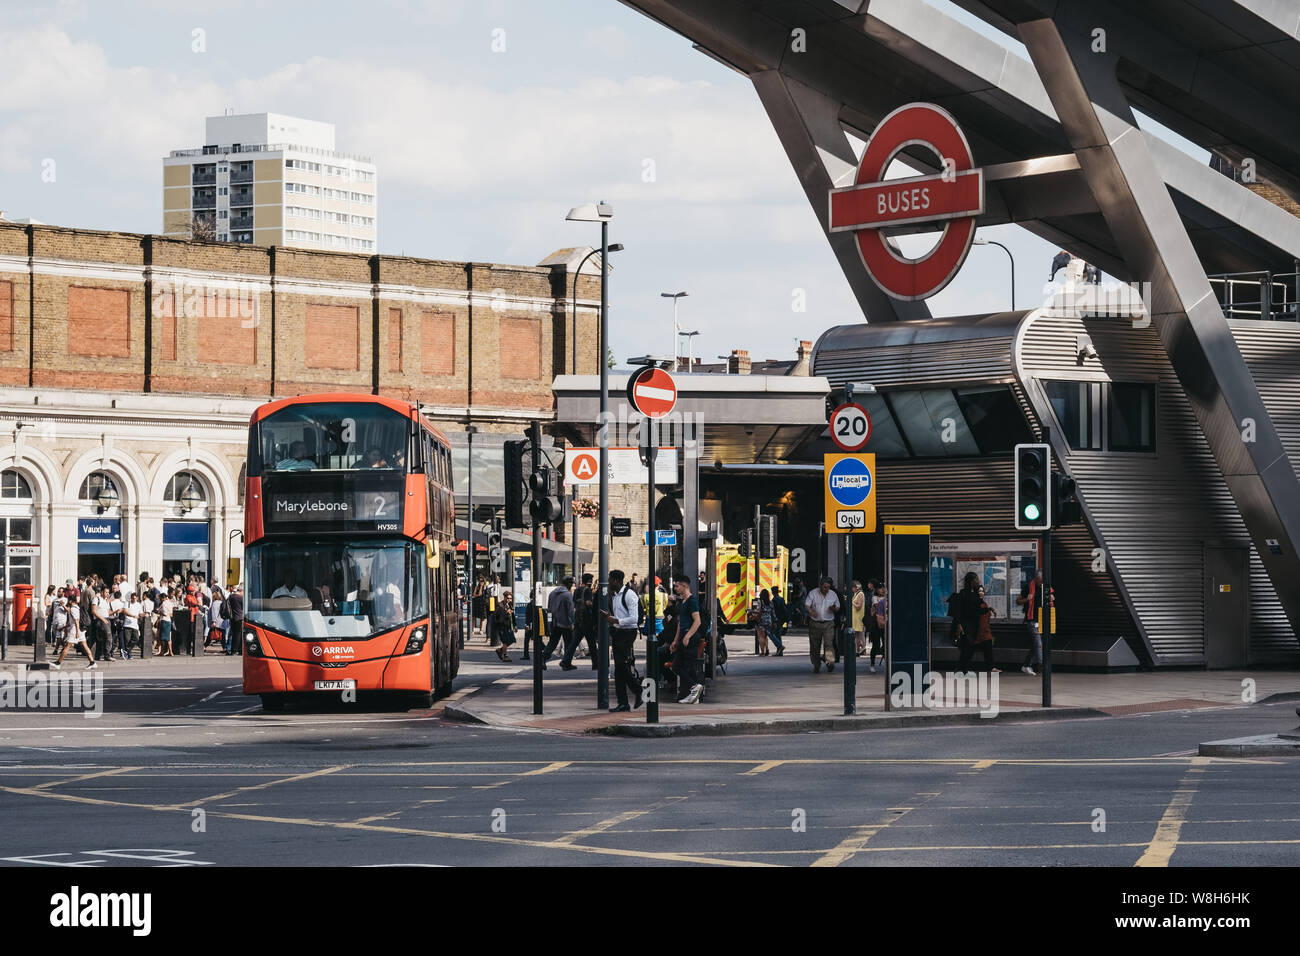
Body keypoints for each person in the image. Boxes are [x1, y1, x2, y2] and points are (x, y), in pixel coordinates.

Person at [602, 570, 643, 712]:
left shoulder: (629, 595)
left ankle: (638, 690)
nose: (608, 582)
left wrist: (616, 620)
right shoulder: (615, 596)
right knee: (619, 670)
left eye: (610, 579)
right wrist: (611, 619)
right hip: (618, 632)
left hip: (628, 633)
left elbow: (634, 619)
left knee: (621, 666)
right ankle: (623, 703)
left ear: (616, 581)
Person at [669, 574, 705, 704]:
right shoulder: (683, 602)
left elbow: (697, 621)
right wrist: (675, 640)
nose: (675, 588)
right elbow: (680, 623)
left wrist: (687, 636)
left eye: (677, 586)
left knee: (680, 666)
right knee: (683, 667)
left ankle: (695, 687)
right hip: (683, 638)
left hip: (690, 638)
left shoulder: (692, 601)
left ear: (685, 586)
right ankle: (695, 694)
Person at [1016, 570, 1052, 676]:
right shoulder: (1028, 587)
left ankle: (1026, 666)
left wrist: (1051, 598)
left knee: (1036, 645)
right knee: (1038, 644)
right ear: (1036, 579)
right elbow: (1018, 601)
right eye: (1040, 581)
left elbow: (1048, 600)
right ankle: (1042, 666)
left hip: (1042, 619)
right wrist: (1027, 599)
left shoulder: (1045, 588)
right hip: (1031, 620)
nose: (1042, 583)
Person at [959, 585, 999, 674]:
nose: (981, 592)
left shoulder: (983, 603)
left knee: (986, 649)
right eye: (979, 591)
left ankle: (991, 667)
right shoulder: (973, 604)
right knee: (969, 651)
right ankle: (963, 669)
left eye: (982, 591)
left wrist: (990, 609)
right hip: (976, 631)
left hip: (984, 631)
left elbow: (983, 612)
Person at [804, 576, 841, 673]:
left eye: (828, 587)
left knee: (829, 644)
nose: (827, 589)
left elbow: (838, 607)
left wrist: (834, 608)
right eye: (825, 587)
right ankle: (816, 664)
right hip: (815, 623)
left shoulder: (833, 594)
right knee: (815, 646)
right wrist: (811, 612)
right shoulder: (813, 593)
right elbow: (807, 605)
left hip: (828, 623)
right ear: (820, 586)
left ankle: (830, 662)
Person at [49, 598, 96, 670]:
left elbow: (76, 620)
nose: (68, 601)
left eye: (69, 600)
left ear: (71, 601)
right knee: (85, 646)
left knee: (67, 646)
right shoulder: (76, 608)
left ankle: (58, 663)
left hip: (75, 630)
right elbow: (71, 621)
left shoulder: (74, 609)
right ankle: (92, 662)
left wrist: (77, 632)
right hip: (79, 630)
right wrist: (64, 627)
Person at [544, 577, 577, 669]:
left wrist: (549, 623)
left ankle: (542, 659)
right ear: (569, 584)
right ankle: (566, 663)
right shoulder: (567, 595)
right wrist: (574, 622)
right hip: (566, 623)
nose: (572, 586)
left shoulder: (552, 593)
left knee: (552, 643)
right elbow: (570, 611)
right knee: (569, 644)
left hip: (554, 623)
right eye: (572, 584)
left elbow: (549, 610)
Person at [868, 583, 887, 673]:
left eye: (883, 588)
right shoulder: (875, 598)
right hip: (876, 623)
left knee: (886, 645)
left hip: (884, 623)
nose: (882, 590)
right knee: (876, 645)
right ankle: (872, 663)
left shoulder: (886, 599)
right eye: (880, 588)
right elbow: (876, 605)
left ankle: (887, 663)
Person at [493, 591, 516, 662]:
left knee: (512, 640)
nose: (509, 600)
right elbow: (498, 618)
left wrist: (515, 625)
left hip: (509, 626)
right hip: (502, 626)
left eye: (510, 598)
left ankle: (500, 650)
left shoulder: (510, 605)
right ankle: (505, 656)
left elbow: (513, 616)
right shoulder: (500, 606)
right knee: (505, 641)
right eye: (508, 598)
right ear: (505, 597)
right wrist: (506, 613)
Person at [754, 589, 774, 656]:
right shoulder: (770, 602)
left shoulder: (760, 602)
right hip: (769, 620)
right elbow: (772, 612)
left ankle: (762, 652)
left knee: (760, 636)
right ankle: (767, 649)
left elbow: (758, 610)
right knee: (765, 636)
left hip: (761, 620)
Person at [225, 585, 244, 655]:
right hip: (240, 617)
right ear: (241, 591)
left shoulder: (231, 596)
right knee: (239, 635)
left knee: (234, 634)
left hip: (232, 617)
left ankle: (233, 650)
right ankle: (238, 650)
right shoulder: (241, 598)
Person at [851, 580, 867, 657]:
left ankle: (858, 651)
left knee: (857, 635)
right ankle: (860, 649)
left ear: (856, 587)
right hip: (855, 617)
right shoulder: (855, 594)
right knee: (857, 635)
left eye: (853, 587)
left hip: (858, 617)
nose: (852, 589)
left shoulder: (860, 594)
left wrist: (851, 602)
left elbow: (858, 606)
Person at [157, 588, 175, 656]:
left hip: (164, 620)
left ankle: (162, 651)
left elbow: (164, 613)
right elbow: (171, 613)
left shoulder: (164, 603)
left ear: (162, 598)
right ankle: (170, 651)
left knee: (162, 638)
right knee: (168, 638)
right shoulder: (170, 603)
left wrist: (160, 612)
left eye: (160, 598)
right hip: (169, 621)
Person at [770, 588, 788, 655]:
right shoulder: (781, 599)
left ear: (772, 592)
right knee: (778, 634)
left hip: (777, 619)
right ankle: (780, 652)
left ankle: (780, 646)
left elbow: (774, 612)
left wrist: (774, 621)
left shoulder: (774, 600)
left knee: (772, 633)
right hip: (783, 619)